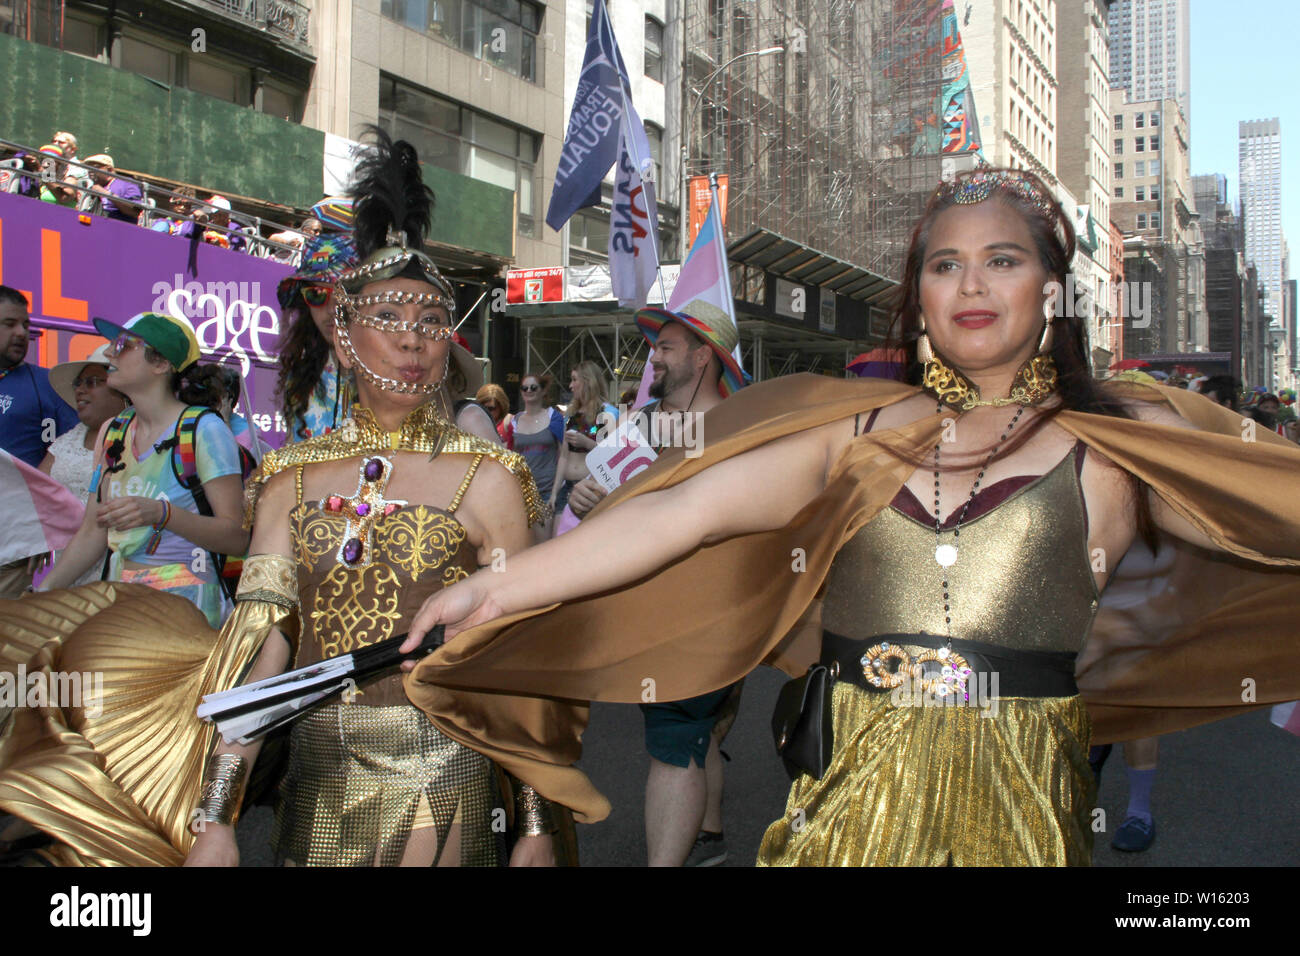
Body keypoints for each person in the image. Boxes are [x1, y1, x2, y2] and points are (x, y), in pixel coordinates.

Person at [396, 168, 1300, 866]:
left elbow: (1272, 516)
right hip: (846, 808)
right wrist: (494, 588)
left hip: (1024, 813)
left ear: (1051, 286)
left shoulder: (1117, 444)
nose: (971, 284)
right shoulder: (857, 430)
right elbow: (679, 513)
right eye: (945, 264)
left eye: (1003, 259)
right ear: (920, 296)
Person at [0, 130, 591, 868]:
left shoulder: (490, 474)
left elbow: (521, 650)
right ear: (344, 339)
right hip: (317, 777)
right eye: (387, 319)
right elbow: (264, 645)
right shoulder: (292, 478)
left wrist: (533, 822)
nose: (412, 340)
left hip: (447, 766)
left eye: (431, 323)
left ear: (449, 345)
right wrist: (216, 813)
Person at [570, 304, 744, 866]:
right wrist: (585, 501)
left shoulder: (741, 429)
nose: (654, 356)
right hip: (648, 607)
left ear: (701, 355)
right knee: (693, 732)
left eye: (667, 347)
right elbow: (604, 499)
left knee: (675, 734)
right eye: (656, 346)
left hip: (706, 610)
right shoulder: (642, 420)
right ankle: (710, 838)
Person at [38, 312, 248, 629]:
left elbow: (237, 539)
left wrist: (163, 513)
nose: (109, 352)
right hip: (120, 605)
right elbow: (93, 531)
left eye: (123, 344)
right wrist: (42, 595)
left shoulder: (203, 430)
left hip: (187, 614)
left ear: (161, 364)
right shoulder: (115, 431)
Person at [0, 286, 80, 597]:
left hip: (11, 544)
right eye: (9, 324)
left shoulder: (49, 386)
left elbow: (75, 455)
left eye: (26, 325)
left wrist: (40, 528)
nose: (21, 333)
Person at [37, 344, 129, 585]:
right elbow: (34, 494)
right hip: (65, 569)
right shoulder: (66, 442)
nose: (80, 390)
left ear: (119, 388)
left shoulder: (135, 437)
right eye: (78, 384)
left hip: (115, 573)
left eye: (92, 382)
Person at [275, 233, 359, 442]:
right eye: (317, 293)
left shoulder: (391, 375)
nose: (332, 309)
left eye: (343, 296)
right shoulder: (301, 377)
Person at [551, 361, 617, 518]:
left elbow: (612, 454)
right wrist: (554, 492)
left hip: (589, 487)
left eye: (575, 379)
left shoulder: (607, 412)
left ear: (588, 381)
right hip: (566, 486)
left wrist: (587, 443)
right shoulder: (571, 413)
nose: (570, 385)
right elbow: (564, 456)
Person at [506, 373, 564, 506]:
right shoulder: (514, 421)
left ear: (543, 391)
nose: (528, 391)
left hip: (548, 491)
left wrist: (555, 491)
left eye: (533, 387)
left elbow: (563, 455)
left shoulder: (553, 417)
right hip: (522, 492)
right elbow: (510, 456)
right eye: (524, 388)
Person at [79, 154, 144, 224]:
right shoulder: (90, 186)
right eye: (89, 168)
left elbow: (135, 212)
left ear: (109, 169)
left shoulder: (126, 183)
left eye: (95, 168)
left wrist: (105, 193)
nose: (91, 171)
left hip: (118, 228)